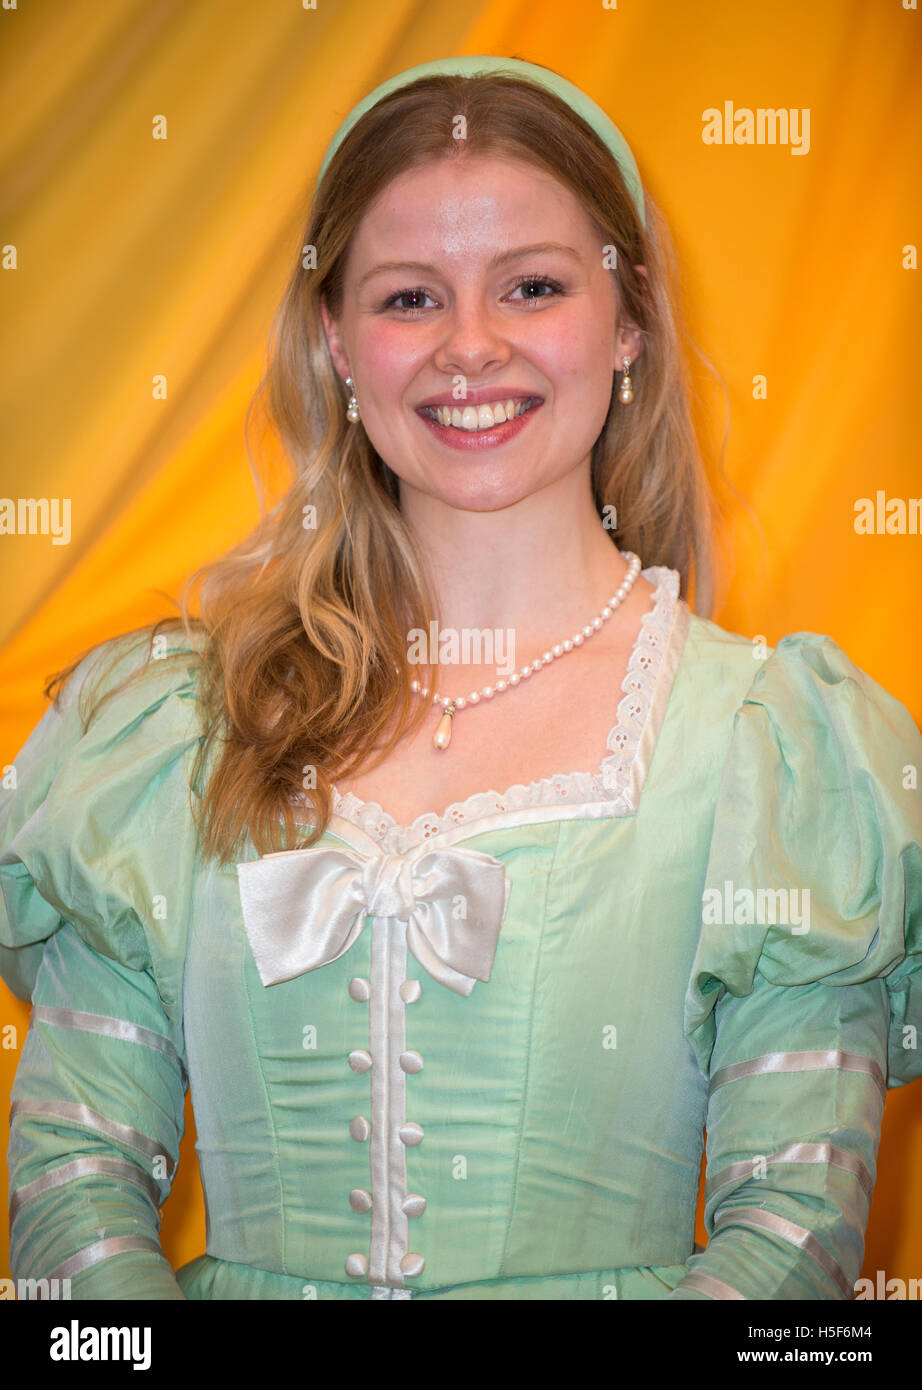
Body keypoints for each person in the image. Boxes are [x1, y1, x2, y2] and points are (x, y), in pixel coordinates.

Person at [1, 54, 920, 1302]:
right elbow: (70, 1192)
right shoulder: (172, 733)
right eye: (409, 299)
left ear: (628, 316)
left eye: (532, 286)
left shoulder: (772, 750)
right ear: (334, 340)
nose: (470, 349)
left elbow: (794, 1249)